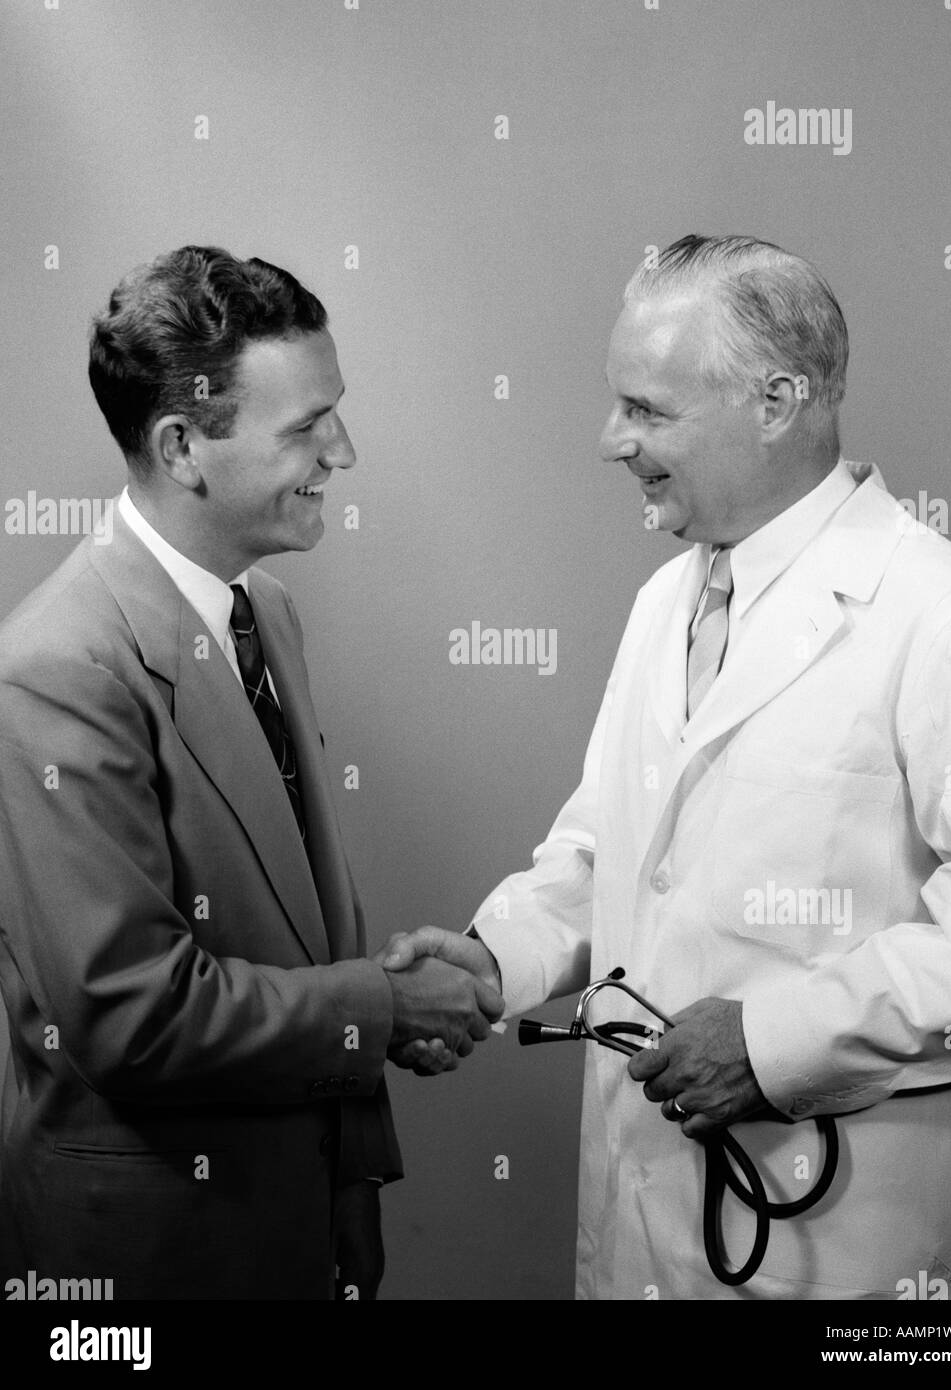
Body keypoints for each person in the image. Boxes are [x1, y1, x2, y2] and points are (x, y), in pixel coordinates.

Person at [382, 234, 951, 1300]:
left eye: (647, 409)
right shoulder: (665, 600)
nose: (608, 439)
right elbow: (603, 848)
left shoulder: (943, 616)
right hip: (649, 1222)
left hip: (853, 1248)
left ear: (776, 400)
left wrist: (773, 1041)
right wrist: (497, 961)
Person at [0, 246, 502, 1300]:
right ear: (184, 446)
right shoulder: (55, 668)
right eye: (308, 426)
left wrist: (351, 1185)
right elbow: (134, 1017)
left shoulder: (263, 610)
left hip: (295, 1228)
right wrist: (389, 1008)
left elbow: (299, 934)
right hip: (149, 1264)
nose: (344, 450)